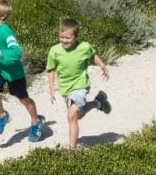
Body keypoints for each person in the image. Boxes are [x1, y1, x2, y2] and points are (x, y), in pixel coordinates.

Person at [0, 0, 45, 141]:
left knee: (23, 99)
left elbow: (17, 53)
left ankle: (36, 121)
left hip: (13, 72)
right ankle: (3, 116)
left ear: (2, 16)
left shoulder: (6, 31)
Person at [46, 17, 111, 150]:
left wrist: (102, 65)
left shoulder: (84, 47)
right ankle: (98, 102)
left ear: (76, 37)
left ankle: (72, 150)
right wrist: (51, 86)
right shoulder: (55, 50)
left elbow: (93, 56)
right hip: (65, 88)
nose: (64, 40)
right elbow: (51, 68)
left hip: (81, 85)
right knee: (77, 116)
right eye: (62, 37)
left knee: (71, 114)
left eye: (68, 38)